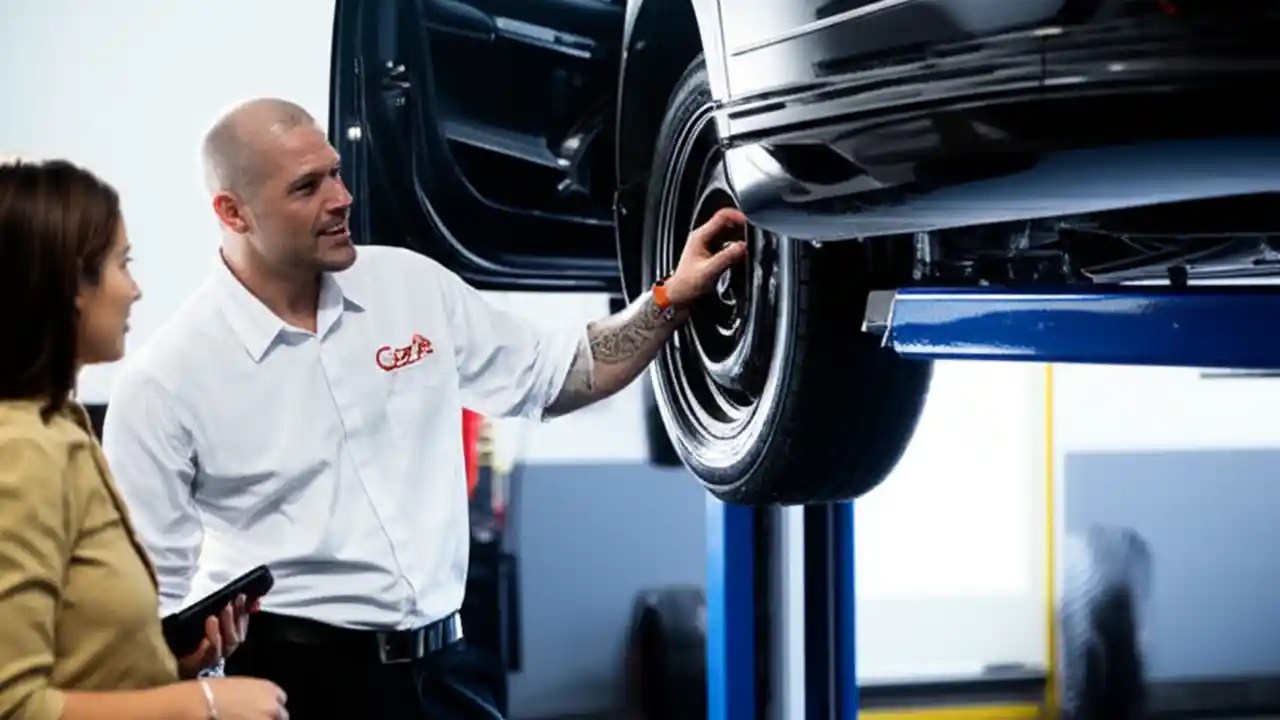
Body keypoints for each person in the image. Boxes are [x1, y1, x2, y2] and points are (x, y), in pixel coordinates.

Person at [101, 97, 747, 720]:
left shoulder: (409, 288)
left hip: (448, 674)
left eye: (335, 172)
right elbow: (145, 607)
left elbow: (561, 374)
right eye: (306, 188)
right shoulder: (165, 382)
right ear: (232, 212)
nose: (341, 199)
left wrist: (671, 297)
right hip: (296, 687)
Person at [0, 158, 288, 719]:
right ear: (67, 285)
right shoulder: (21, 452)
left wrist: (165, 666)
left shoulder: (60, 426)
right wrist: (201, 702)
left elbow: (75, 663)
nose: (134, 290)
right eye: (120, 264)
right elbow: (13, 705)